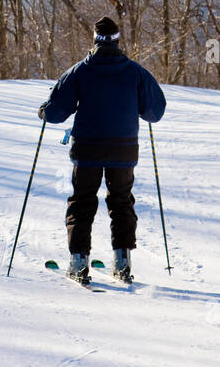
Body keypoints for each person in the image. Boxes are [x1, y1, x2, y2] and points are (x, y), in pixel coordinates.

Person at [38, 16, 166, 285]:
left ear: (95, 39)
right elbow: (155, 112)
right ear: (118, 40)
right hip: (124, 149)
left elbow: (56, 112)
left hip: (88, 150)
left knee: (82, 202)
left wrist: (44, 111)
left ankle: (79, 262)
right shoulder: (136, 72)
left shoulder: (80, 72)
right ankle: (122, 263)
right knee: (121, 202)